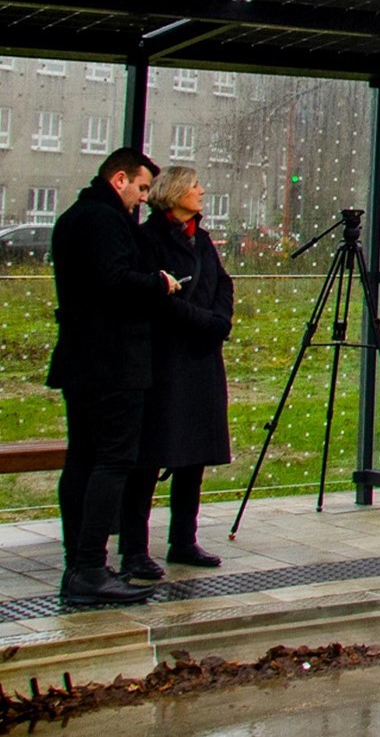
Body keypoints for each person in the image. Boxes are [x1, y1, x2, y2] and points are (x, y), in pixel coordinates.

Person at [46, 147, 179, 608]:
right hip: (114, 361)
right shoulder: (104, 220)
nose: (143, 198)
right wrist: (159, 282)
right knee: (112, 460)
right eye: (141, 187)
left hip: (81, 359)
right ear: (118, 179)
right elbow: (115, 281)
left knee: (82, 458)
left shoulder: (72, 218)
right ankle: (89, 567)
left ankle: (78, 564)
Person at [117, 166, 235, 580]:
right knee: (149, 457)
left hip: (202, 358)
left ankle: (184, 539)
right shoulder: (148, 239)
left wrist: (220, 319)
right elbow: (156, 297)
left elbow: (223, 283)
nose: (202, 191)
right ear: (176, 192)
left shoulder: (200, 237)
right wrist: (205, 321)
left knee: (194, 456)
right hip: (166, 361)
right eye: (195, 185)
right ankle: (134, 548)